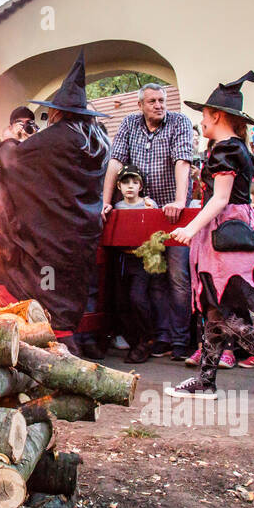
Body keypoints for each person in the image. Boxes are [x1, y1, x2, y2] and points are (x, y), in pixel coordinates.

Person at [165, 73, 254, 406]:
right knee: (214, 308)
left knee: (223, 308)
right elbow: (252, 178)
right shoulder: (236, 146)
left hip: (226, 233)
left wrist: (191, 228)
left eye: (205, 116)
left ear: (217, 116)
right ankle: (206, 380)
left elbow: (221, 197)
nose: (202, 121)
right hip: (232, 230)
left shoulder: (225, 148)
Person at [0, 51, 109, 354]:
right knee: (65, 293)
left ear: (57, 112)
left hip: (49, 236)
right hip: (79, 234)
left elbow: (12, 162)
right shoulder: (97, 141)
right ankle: (65, 348)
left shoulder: (58, 138)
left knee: (40, 292)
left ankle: (54, 354)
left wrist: (8, 139)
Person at [104, 82, 195, 359]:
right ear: (140, 104)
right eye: (152, 101)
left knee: (178, 277)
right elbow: (116, 161)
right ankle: (161, 336)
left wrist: (180, 201)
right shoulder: (130, 124)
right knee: (153, 278)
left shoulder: (179, 122)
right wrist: (106, 200)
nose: (158, 105)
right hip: (140, 215)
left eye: (162, 100)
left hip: (172, 212)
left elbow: (182, 161)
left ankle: (181, 340)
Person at [105, 167, 159, 363]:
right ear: (119, 185)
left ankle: (147, 338)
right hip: (122, 258)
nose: (130, 186)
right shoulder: (116, 207)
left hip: (142, 258)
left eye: (134, 182)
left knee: (138, 298)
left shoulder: (148, 205)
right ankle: (136, 341)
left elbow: (155, 229)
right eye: (126, 182)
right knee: (121, 301)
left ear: (141, 186)